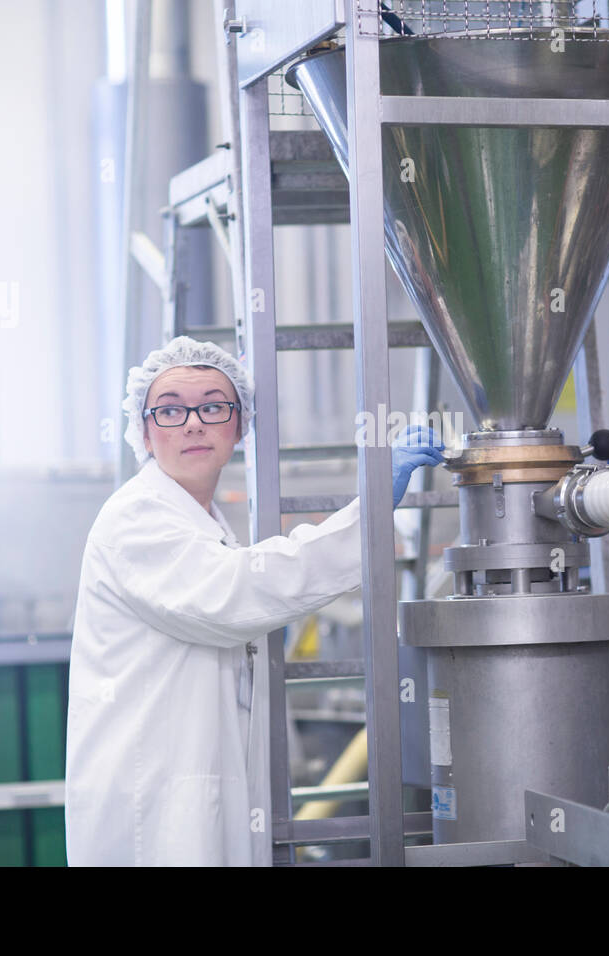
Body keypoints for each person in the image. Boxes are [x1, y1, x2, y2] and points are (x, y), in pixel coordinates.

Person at [64, 336, 445, 865]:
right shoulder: (136, 518)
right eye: (171, 410)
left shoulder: (202, 525)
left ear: (240, 425)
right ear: (144, 432)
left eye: (213, 406)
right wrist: (367, 509)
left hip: (196, 801)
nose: (193, 422)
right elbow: (236, 593)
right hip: (153, 814)